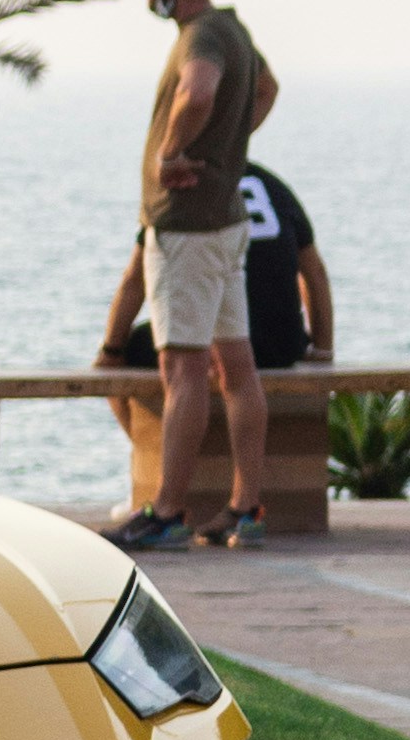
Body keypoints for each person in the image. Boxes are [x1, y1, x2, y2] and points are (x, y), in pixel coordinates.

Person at [106, 0, 280, 552]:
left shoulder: (202, 36)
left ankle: (169, 512)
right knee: (237, 366)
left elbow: (199, 89)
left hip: (186, 226)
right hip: (225, 221)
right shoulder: (235, 30)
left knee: (181, 368)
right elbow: (266, 90)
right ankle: (245, 508)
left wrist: (174, 151)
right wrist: (229, 148)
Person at [99, 162, 332, 539]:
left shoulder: (185, 192)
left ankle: (162, 485)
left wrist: (109, 351)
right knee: (235, 369)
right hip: (280, 342)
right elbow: (314, 272)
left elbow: (134, 279)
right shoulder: (274, 187)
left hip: (215, 340)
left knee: (149, 359)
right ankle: (241, 505)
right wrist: (322, 347)